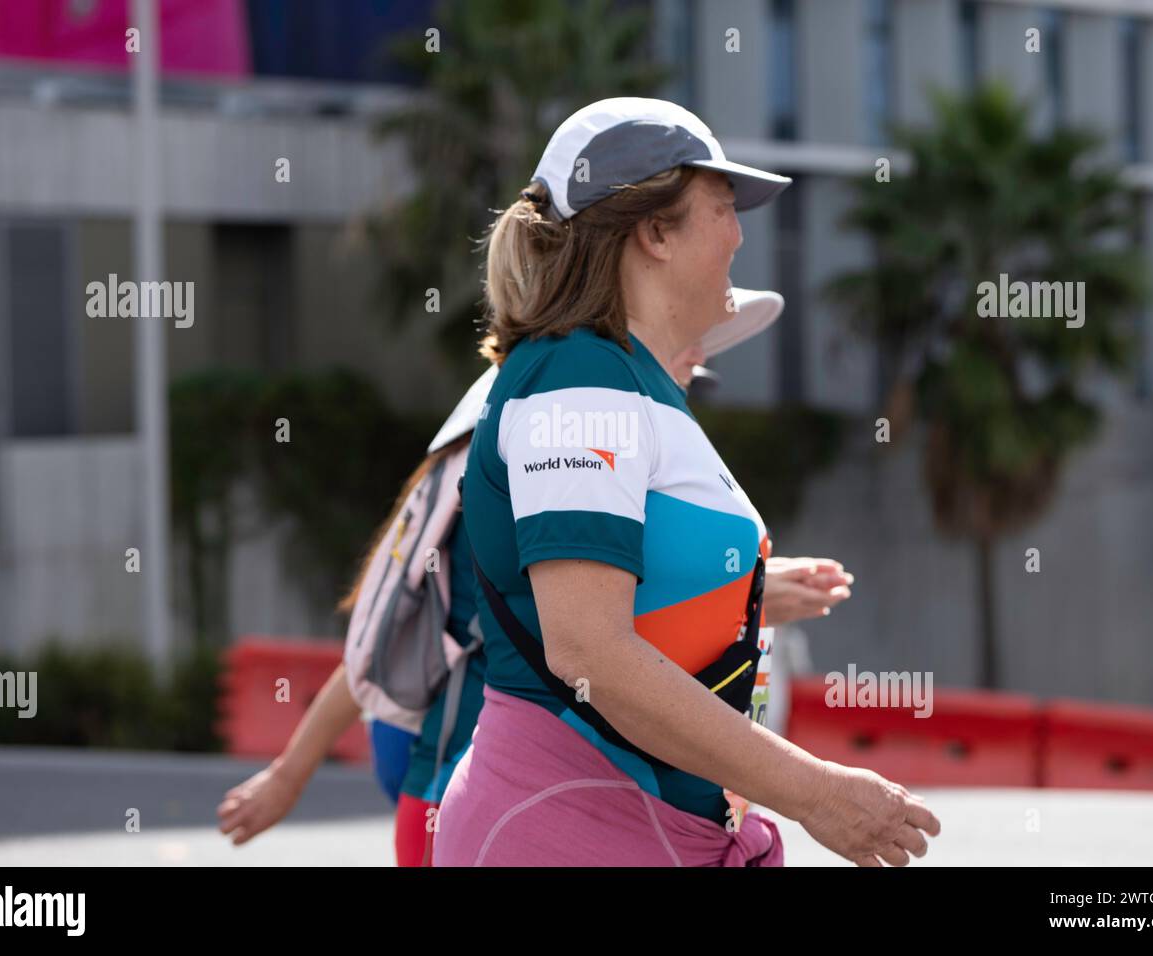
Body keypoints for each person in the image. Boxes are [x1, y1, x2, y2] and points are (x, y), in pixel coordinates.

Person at [434, 97, 940, 867]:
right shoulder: (580, 378)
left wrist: (750, 586)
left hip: (631, 823)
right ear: (655, 232)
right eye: (722, 207)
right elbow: (590, 652)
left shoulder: (621, 381)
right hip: (570, 825)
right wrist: (815, 793)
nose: (739, 234)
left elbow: (624, 597)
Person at [216, 285, 858, 865]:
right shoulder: (547, 454)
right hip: (495, 804)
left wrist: (742, 590)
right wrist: (290, 773)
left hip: (552, 809)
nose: (694, 366)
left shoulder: (564, 443)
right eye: (688, 346)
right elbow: (422, 637)